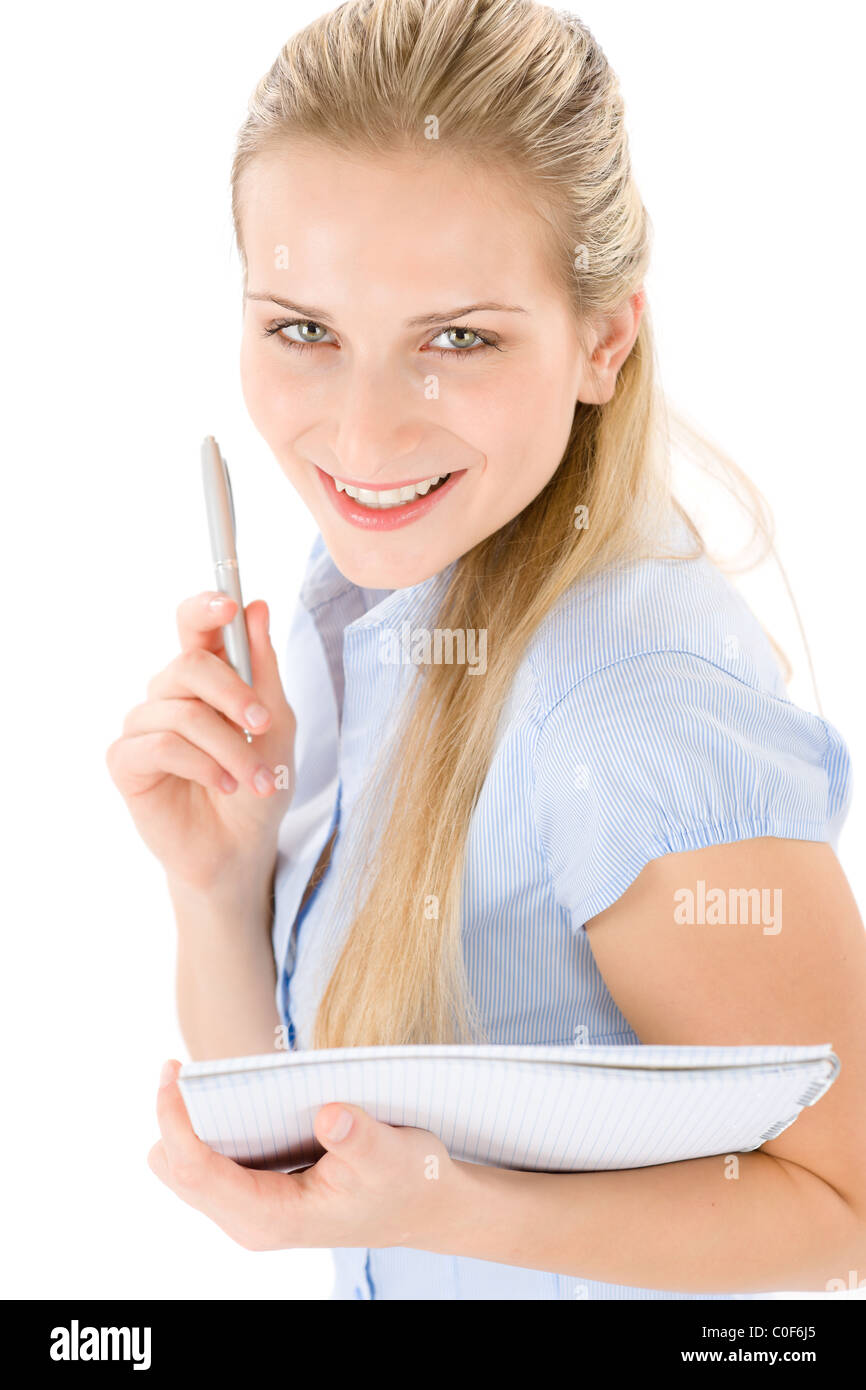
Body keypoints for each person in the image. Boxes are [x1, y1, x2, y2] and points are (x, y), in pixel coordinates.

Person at [106, 0, 866, 1300]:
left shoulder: (625, 716)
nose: (360, 433)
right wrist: (221, 884)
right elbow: (306, 1146)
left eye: (457, 338)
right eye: (302, 329)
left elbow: (844, 1197)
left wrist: (459, 1202)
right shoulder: (381, 597)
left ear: (601, 341)